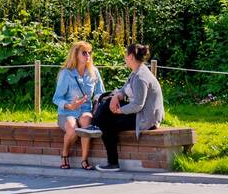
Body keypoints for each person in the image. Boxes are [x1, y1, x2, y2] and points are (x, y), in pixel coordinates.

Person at [90, 42, 163, 172]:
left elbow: (138, 105)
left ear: (130, 56)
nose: (124, 58)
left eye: (125, 55)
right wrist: (116, 97)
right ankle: (95, 124)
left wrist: (120, 111)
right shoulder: (136, 73)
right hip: (139, 113)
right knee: (107, 104)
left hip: (145, 119)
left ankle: (112, 163)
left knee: (107, 124)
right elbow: (124, 90)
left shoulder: (141, 77)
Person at [52, 41, 104, 170]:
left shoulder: (94, 72)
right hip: (67, 112)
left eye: (89, 53)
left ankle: (84, 160)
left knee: (86, 121)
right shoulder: (66, 73)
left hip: (85, 109)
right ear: (75, 54)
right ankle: (64, 155)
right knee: (72, 127)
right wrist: (70, 106)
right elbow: (56, 98)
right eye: (84, 53)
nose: (88, 56)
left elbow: (100, 93)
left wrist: (97, 102)